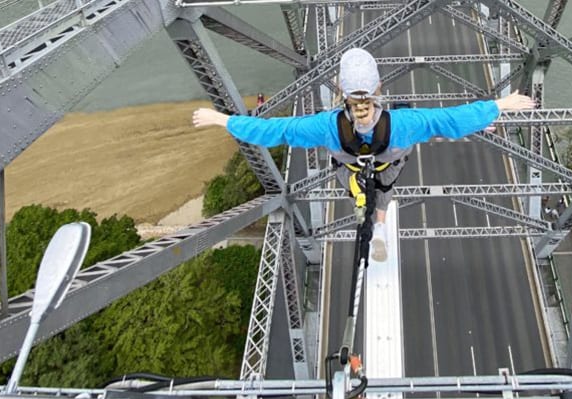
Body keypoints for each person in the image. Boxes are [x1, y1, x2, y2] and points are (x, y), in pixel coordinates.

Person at [192, 48, 535, 262]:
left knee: (360, 187)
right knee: (387, 186)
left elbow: (274, 131)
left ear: (340, 90)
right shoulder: (402, 122)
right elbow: (449, 121)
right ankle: (380, 225)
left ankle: (363, 209)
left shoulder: (325, 126)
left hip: (350, 171)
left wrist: (224, 120)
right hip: (389, 165)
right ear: (378, 89)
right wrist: (498, 105)